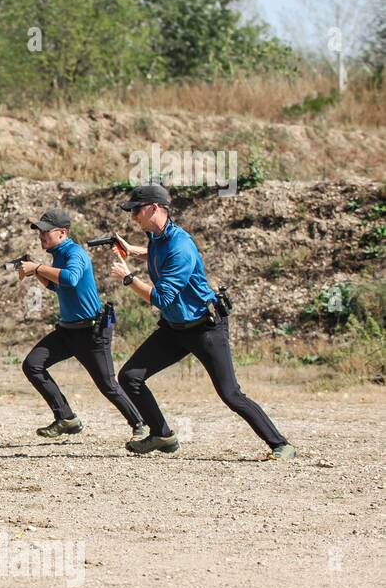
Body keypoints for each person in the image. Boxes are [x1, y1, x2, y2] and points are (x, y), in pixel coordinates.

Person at [109, 184, 296, 460]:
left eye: (136, 210)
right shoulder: (158, 236)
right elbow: (158, 254)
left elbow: (162, 298)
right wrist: (133, 251)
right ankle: (162, 434)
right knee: (130, 377)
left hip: (205, 327)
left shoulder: (180, 246)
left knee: (231, 394)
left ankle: (281, 444)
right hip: (175, 329)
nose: (133, 216)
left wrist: (128, 278)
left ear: (154, 208)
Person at [16, 208, 146, 441]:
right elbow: (58, 286)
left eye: (46, 232)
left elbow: (70, 278)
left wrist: (37, 268)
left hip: (91, 331)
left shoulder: (75, 253)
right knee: (32, 365)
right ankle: (66, 418)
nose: (41, 236)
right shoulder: (58, 254)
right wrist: (36, 271)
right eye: (40, 232)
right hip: (68, 330)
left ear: (62, 233)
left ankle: (139, 424)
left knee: (107, 384)